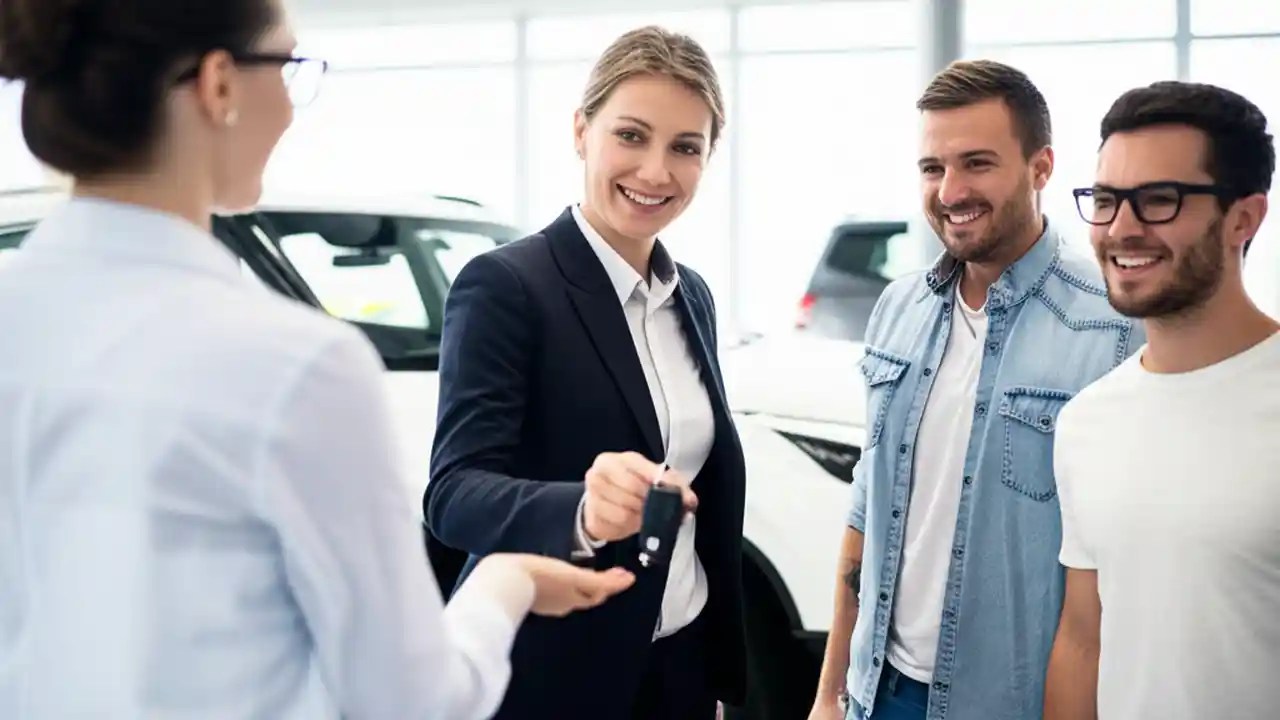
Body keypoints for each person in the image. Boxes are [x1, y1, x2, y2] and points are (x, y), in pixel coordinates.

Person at [0, 1, 635, 718]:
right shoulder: (294, 366)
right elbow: (413, 701)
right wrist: (504, 581)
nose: (295, 108)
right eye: (289, 67)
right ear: (219, 86)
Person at [806, 59, 1144, 720]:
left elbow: (1128, 573)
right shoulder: (898, 308)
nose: (950, 190)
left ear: (1041, 168)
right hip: (879, 694)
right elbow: (866, 513)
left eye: (977, 163)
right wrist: (830, 692)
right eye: (933, 168)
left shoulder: (1113, 326)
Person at [425, 25, 745, 720]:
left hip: (679, 664)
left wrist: (712, 679)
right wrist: (579, 509)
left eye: (685, 147)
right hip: (560, 676)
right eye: (631, 136)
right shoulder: (507, 286)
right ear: (581, 132)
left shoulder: (690, 296)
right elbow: (452, 495)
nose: (657, 171)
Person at [1044, 81, 1280, 720]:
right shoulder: (1085, 422)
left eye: (1158, 200)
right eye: (1107, 199)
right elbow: (1083, 642)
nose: (1122, 228)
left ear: (1244, 218)